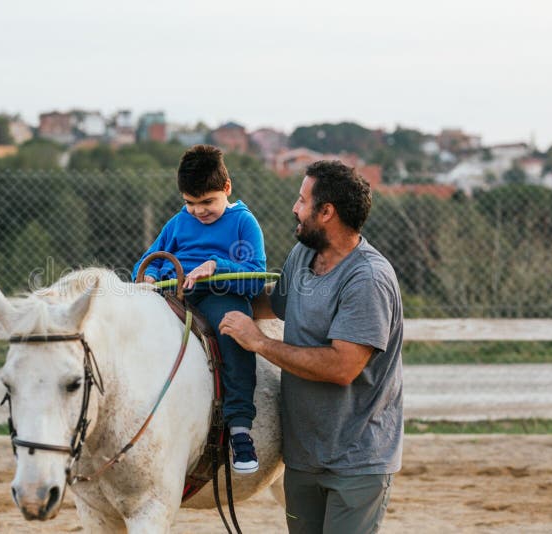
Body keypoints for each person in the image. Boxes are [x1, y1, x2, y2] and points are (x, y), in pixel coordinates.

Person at [219, 160, 403, 533]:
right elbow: (277, 303)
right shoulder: (304, 255)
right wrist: (208, 297)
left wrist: (258, 342)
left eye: (302, 201)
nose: (295, 208)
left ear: (326, 212)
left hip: (356, 462)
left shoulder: (367, 279)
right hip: (303, 456)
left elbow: (341, 367)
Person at [132, 144, 266, 474]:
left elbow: (255, 278)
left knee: (234, 336)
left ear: (227, 188)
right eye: (191, 203)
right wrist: (148, 274)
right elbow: (148, 259)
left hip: (221, 295)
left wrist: (216, 267)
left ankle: (239, 429)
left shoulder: (243, 223)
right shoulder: (178, 223)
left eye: (207, 202)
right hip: (174, 294)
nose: (199, 211)